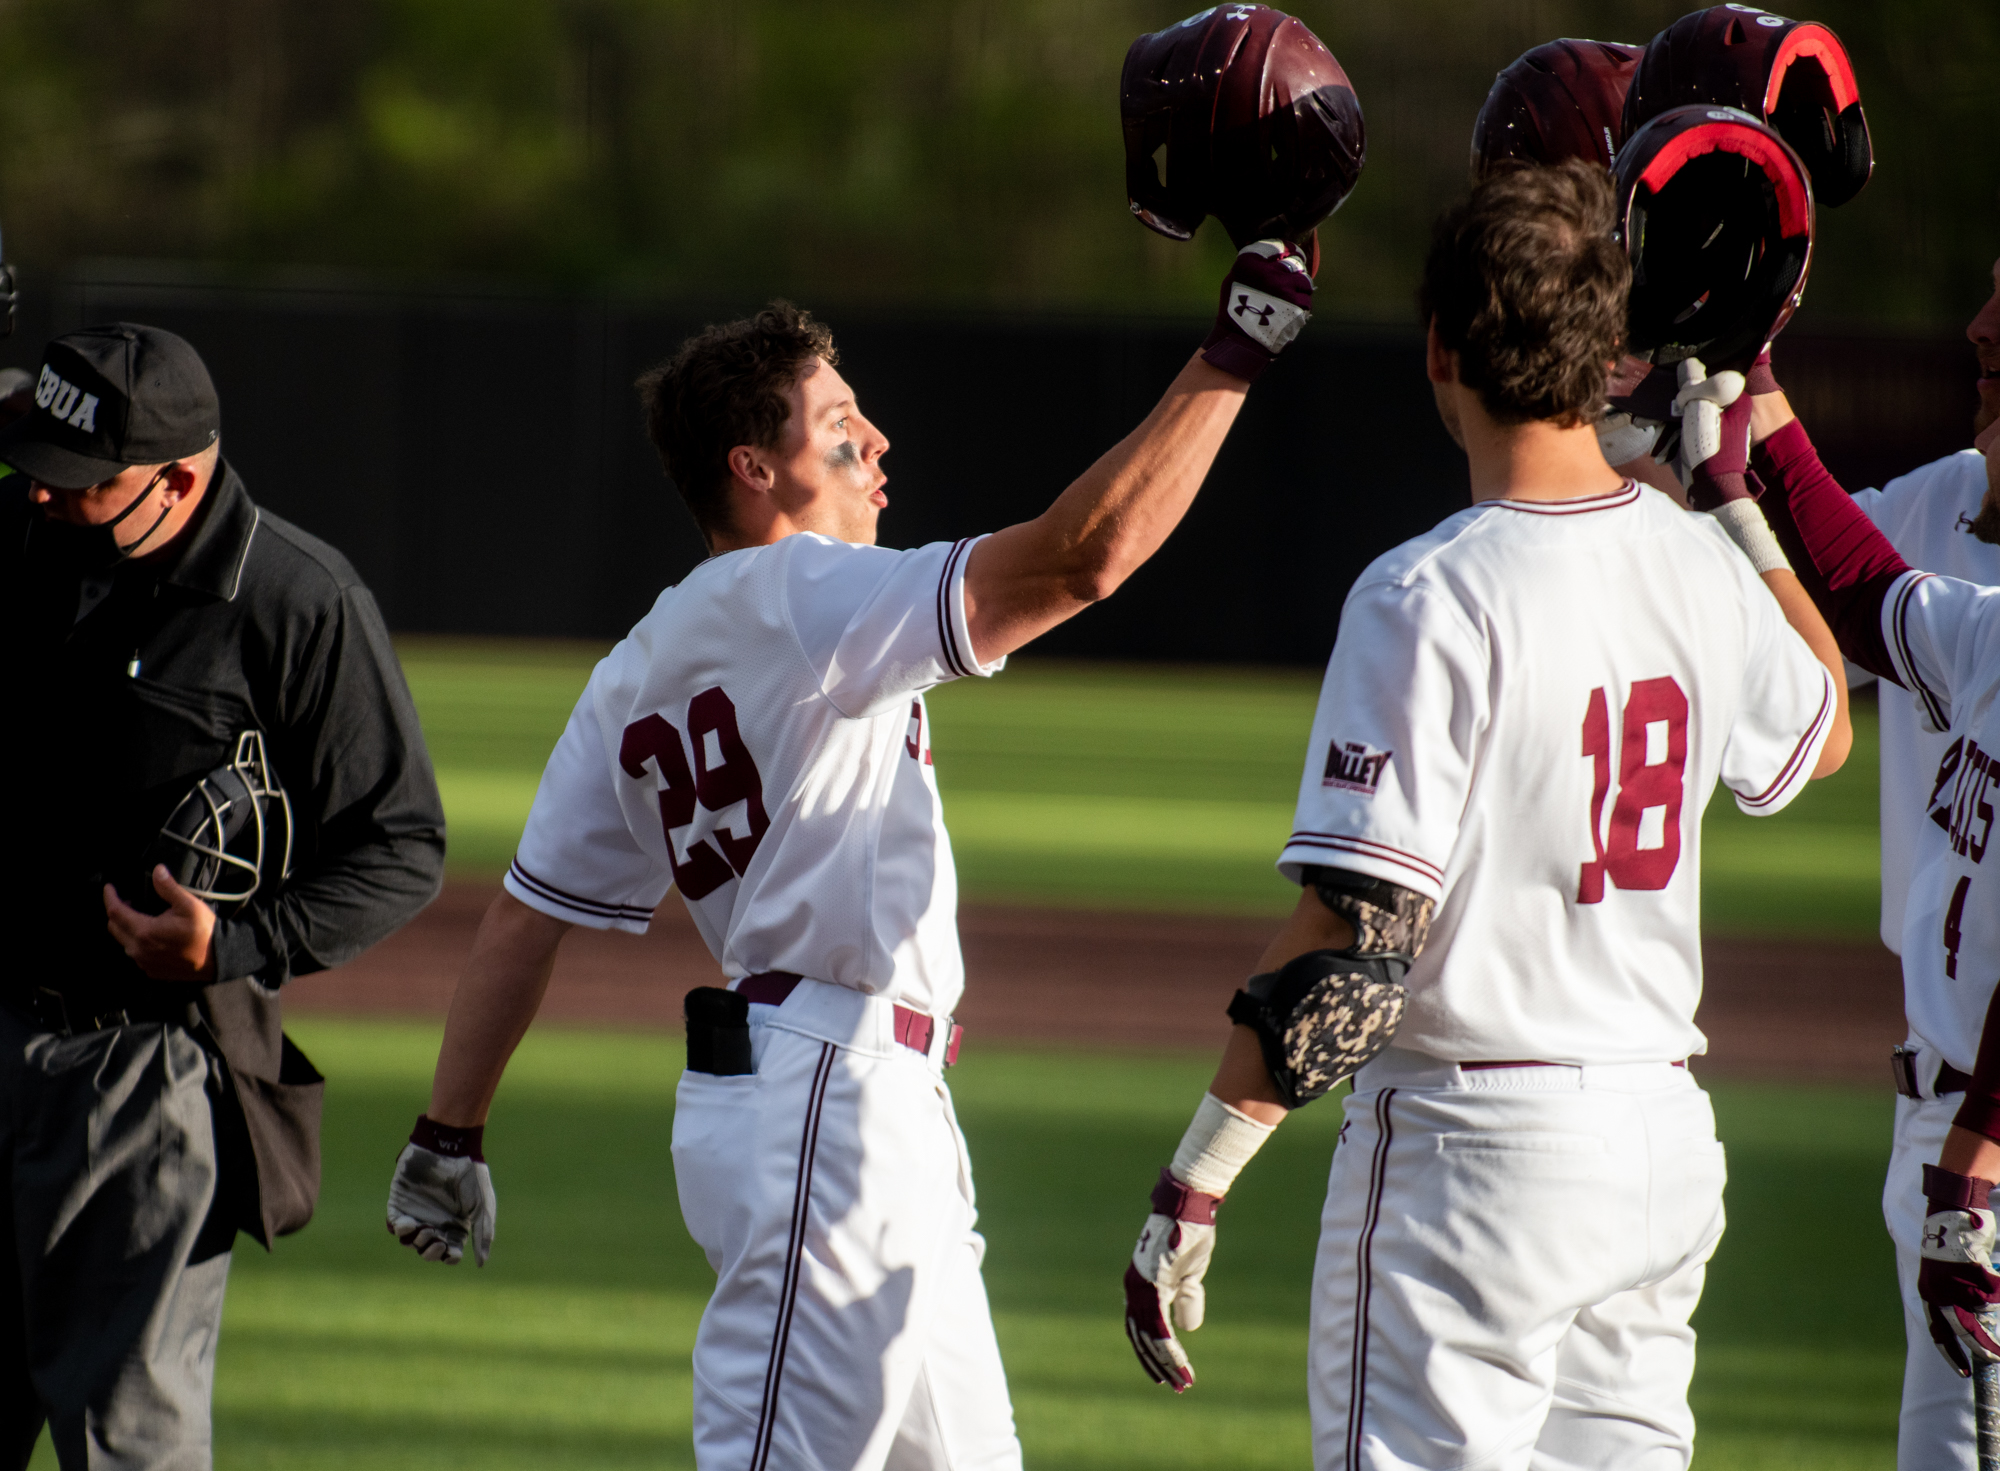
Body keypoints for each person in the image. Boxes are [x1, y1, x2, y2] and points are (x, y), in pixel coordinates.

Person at [383, 234, 1316, 1471]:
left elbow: (523, 918)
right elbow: (1080, 556)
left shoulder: (636, 664)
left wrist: (450, 1130)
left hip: (842, 1102)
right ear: (754, 468)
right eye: (838, 427)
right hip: (827, 1103)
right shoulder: (806, 591)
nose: (875, 444)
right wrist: (1233, 352)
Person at [1121, 160, 1853, 1470]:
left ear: (1441, 349)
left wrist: (1200, 1172)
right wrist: (1735, 496)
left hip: (1477, 1154)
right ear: (1605, 353)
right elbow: (1824, 730)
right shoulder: (1698, 563)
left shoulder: (1426, 593)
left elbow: (1358, 936)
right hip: (1662, 1140)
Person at [0, 323, 446, 1469]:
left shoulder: (298, 602)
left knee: (127, 1439)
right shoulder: (34, 538)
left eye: (76, 485)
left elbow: (400, 847)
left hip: (142, 1075)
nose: (43, 500)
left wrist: (235, 943)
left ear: (180, 479)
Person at [1741, 311, 2000, 1470]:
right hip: (1943, 1136)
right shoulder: (1986, 627)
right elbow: (1859, 589)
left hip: (1978, 1153)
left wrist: (1972, 1159)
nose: (1974, 327)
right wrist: (1743, 382)